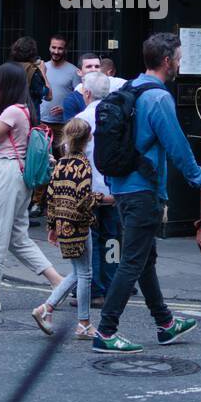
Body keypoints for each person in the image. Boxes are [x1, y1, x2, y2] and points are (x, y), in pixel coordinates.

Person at [93, 32, 201, 353]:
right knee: (132, 262)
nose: (180, 62)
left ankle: (164, 323)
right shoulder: (158, 98)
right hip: (142, 191)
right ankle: (106, 330)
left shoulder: (131, 87)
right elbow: (177, 146)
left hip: (122, 187)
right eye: (178, 57)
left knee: (145, 260)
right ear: (166, 61)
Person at [0, 62, 64, 312]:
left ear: (5, 84)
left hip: (7, 174)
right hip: (18, 175)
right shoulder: (26, 109)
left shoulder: (11, 112)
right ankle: (59, 282)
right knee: (18, 238)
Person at [32, 116, 99, 338]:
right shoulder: (83, 165)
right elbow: (83, 199)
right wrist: (102, 200)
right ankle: (83, 324)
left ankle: (47, 309)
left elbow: (50, 196)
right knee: (86, 273)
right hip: (78, 226)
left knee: (78, 272)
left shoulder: (60, 164)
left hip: (61, 224)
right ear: (88, 138)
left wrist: (51, 226)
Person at [77, 71, 121, 307]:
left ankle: (94, 289)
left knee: (91, 240)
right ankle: (113, 286)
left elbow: (70, 154)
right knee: (112, 239)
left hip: (89, 191)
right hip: (114, 190)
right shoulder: (119, 117)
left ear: (87, 92)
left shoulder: (82, 119)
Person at [41, 35, 79, 143]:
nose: (56, 51)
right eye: (54, 47)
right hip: (42, 122)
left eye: (60, 48)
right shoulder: (42, 68)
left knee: (63, 156)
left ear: (65, 50)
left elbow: (78, 97)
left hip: (64, 124)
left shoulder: (73, 71)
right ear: (49, 48)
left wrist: (65, 107)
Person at [10, 36, 50, 124]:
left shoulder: (9, 68)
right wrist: (43, 72)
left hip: (10, 115)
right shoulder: (32, 71)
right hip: (29, 116)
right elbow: (45, 93)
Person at [62, 53, 102, 121]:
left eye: (97, 66)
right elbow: (73, 130)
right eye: (89, 66)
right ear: (79, 72)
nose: (94, 69)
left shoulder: (109, 94)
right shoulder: (72, 100)